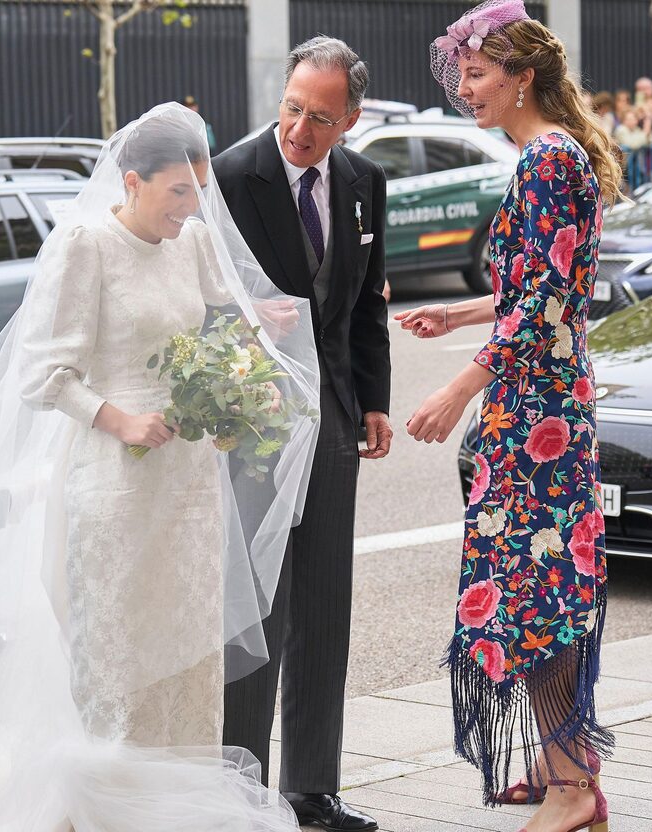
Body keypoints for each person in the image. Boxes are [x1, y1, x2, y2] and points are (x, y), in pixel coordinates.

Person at [0, 103, 320, 831]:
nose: (188, 207)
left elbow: (222, 323)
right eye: (176, 192)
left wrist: (249, 367)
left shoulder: (197, 241)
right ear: (131, 180)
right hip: (112, 478)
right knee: (116, 654)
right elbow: (42, 374)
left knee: (185, 649)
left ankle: (176, 802)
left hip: (184, 483)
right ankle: (106, 809)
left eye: (196, 191)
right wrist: (119, 418)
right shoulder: (86, 245)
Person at [408, 2, 622, 831]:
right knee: (543, 584)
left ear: (520, 76)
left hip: (535, 409)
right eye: (462, 74)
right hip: (545, 403)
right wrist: (459, 319)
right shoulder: (552, 154)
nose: (465, 90)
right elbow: (537, 287)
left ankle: (571, 787)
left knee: (536, 592)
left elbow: (540, 306)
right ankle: (566, 763)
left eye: (475, 74)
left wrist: (458, 386)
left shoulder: (544, 159)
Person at [214, 36, 391, 832]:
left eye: (319, 118)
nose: (298, 130)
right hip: (251, 426)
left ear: (349, 119)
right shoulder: (226, 176)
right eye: (291, 107)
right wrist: (250, 321)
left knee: (324, 607)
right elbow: (194, 305)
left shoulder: (363, 184)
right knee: (254, 605)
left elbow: (362, 306)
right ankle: (237, 785)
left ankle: (310, 791)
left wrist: (374, 400)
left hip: (333, 422)